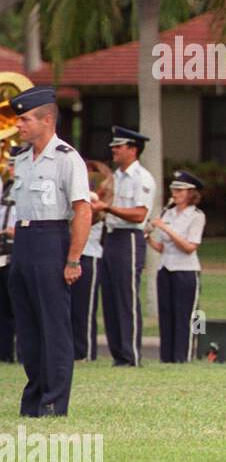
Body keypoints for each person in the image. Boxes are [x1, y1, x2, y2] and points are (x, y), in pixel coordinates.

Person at [7, 86, 91, 417]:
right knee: (28, 328)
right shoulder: (22, 159)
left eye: (25, 119)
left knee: (53, 327)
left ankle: (54, 401)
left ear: (47, 119)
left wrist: (73, 259)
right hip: (24, 241)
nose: (19, 125)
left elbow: (83, 210)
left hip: (51, 240)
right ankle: (34, 398)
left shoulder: (67, 159)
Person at [94, 126, 155, 366]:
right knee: (109, 297)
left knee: (126, 296)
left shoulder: (142, 178)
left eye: (119, 146)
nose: (114, 150)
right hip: (110, 236)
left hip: (129, 238)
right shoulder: (115, 177)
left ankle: (131, 355)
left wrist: (106, 208)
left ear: (133, 149)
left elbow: (140, 214)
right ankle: (118, 354)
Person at [146, 170, 206, 363]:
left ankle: (183, 357)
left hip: (186, 270)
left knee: (185, 316)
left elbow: (189, 247)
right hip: (166, 268)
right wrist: (147, 237)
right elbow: (163, 247)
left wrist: (165, 228)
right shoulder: (168, 213)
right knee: (167, 314)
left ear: (191, 193)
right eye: (174, 190)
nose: (176, 194)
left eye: (181, 191)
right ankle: (167, 358)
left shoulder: (196, 216)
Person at [70, 163, 105, 361]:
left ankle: (87, 352)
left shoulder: (92, 201)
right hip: (75, 256)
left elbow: (87, 216)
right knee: (73, 308)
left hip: (90, 256)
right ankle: (76, 351)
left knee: (86, 308)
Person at [0, 152, 18, 362]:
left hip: (17, 251)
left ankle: (22, 354)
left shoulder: (25, 189)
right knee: (3, 308)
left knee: (18, 308)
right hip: (3, 251)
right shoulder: (6, 187)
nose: (11, 168)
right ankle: (4, 354)